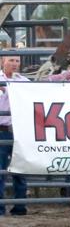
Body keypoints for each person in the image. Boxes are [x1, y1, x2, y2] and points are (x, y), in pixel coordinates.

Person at [0, 52, 29, 216]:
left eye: (17, 61)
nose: (15, 63)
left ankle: (20, 206)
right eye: (11, 60)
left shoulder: (24, 81)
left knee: (20, 171)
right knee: (0, 171)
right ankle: (0, 208)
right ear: (3, 61)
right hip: (2, 131)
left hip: (20, 131)